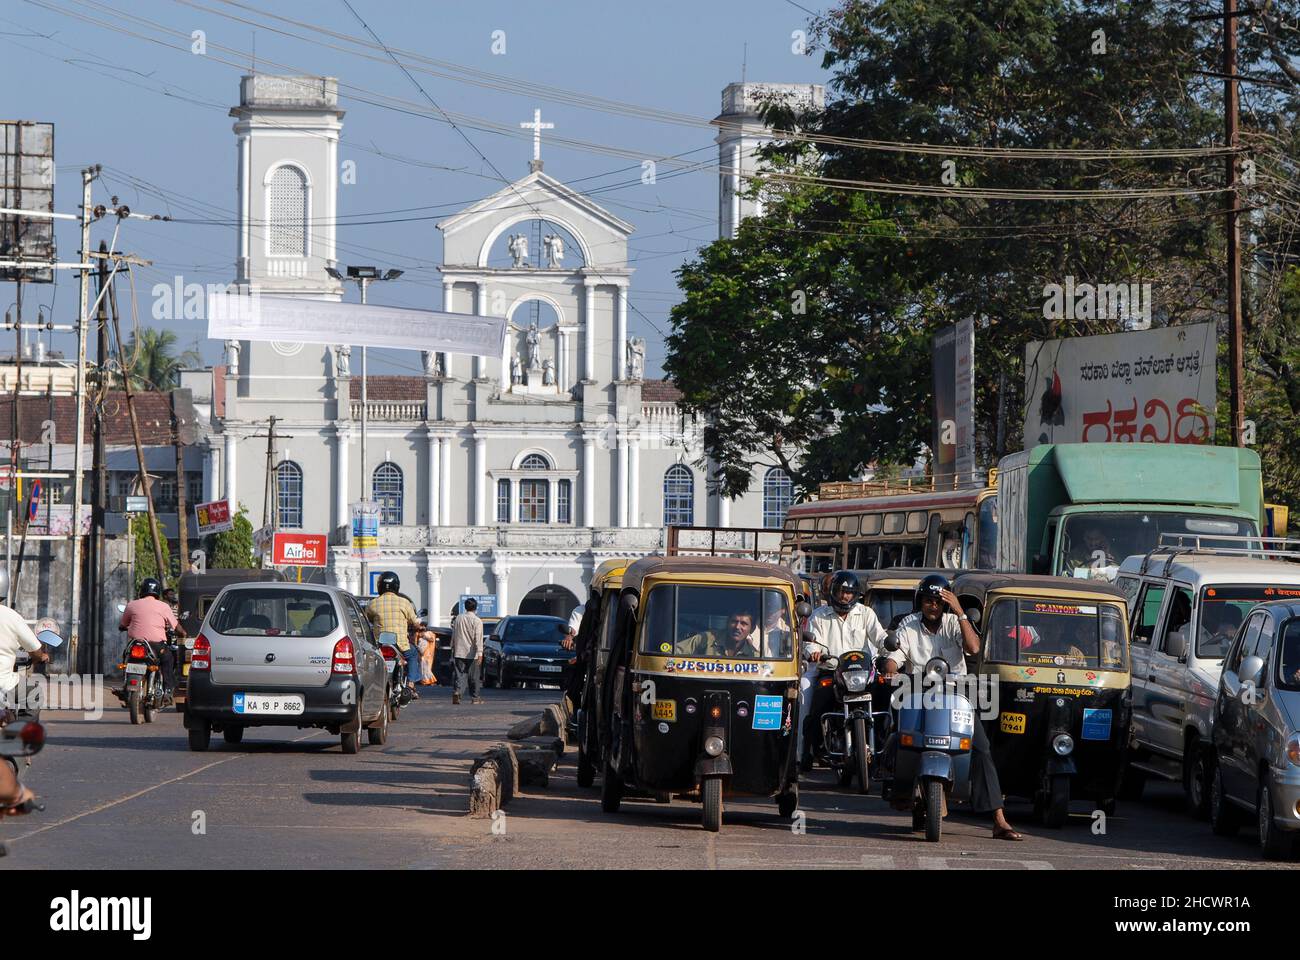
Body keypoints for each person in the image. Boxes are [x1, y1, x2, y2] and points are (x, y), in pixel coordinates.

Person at [883, 573, 1023, 841]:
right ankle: (897, 785)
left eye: (938, 601)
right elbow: (894, 657)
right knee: (897, 732)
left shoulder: (954, 622)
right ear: (920, 602)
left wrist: (960, 611)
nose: (932, 605)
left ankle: (999, 819)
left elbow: (973, 647)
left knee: (980, 747)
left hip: (956, 691)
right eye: (927, 600)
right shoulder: (908, 625)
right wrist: (891, 671)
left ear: (945, 603)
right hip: (917, 690)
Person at [799, 571, 887, 767]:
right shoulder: (819, 615)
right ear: (832, 592)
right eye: (840, 591)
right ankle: (808, 750)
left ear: (855, 594)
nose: (844, 596)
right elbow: (810, 643)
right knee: (814, 705)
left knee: (884, 696)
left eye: (848, 592)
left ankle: (882, 743)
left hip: (862, 674)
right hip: (831, 671)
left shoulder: (866, 614)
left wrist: (888, 649)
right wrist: (814, 652)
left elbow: (880, 638)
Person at [119, 577, 185, 702]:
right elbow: (176, 627)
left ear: (142, 590)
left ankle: (125, 686)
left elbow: (123, 624)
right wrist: (183, 633)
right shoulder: (163, 606)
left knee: (126, 657)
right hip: (156, 646)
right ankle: (168, 690)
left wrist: (123, 627)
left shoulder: (131, 605)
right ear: (158, 592)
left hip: (135, 644)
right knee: (168, 659)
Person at [365, 572, 422, 701]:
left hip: (379, 646)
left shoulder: (372, 603)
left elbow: (367, 619)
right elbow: (414, 622)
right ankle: (411, 685)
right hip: (400, 646)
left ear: (380, 586)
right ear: (396, 586)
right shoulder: (404, 602)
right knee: (413, 654)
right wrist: (419, 627)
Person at [679, 610, 759, 658]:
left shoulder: (754, 655)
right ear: (727, 623)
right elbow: (670, 653)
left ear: (752, 629)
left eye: (743, 623)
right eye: (734, 622)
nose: (737, 627)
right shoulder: (706, 638)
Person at [450, 598, 484, 705]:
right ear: (475, 607)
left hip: (459, 651)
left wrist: (452, 646)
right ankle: (475, 697)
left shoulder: (458, 618)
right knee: (473, 676)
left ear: (465, 607)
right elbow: (477, 638)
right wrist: (480, 653)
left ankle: (458, 691)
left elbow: (454, 634)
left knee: (460, 674)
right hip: (472, 653)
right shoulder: (477, 621)